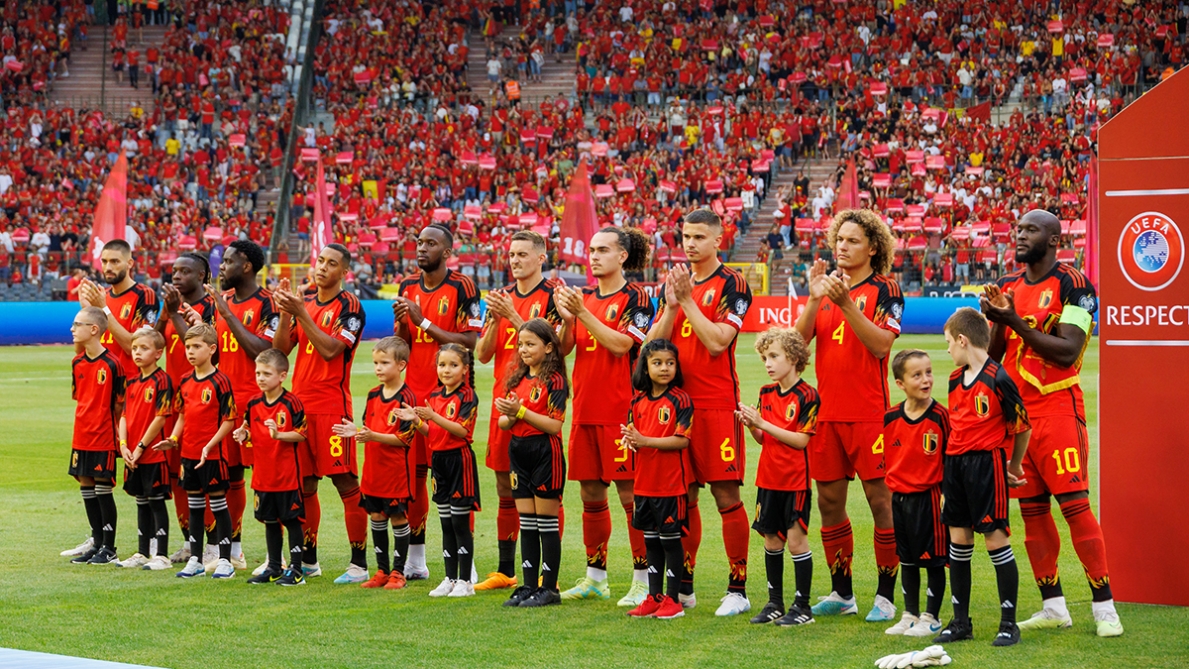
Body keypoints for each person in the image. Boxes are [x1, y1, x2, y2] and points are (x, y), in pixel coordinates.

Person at [980, 209, 1122, 637]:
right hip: (1018, 418)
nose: (1020, 235)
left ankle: (1105, 608)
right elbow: (994, 355)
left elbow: (1067, 351)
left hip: (1057, 408)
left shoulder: (1074, 284)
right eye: (1019, 229)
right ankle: (1053, 605)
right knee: (1033, 513)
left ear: (1054, 240)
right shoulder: (1007, 285)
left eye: (1031, 230)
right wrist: (997, 320)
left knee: (1075, 508)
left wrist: (1012, 320)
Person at [792, 208, 903, 622]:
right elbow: (796, 347)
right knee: (829, 502)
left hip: (870, 415)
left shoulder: (886, 289)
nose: (842, 246)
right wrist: (814, 297)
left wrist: (846, 304)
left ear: (873, 248)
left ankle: (886, 596)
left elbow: (880, 346)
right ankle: (842, 592)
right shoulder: (826, 290)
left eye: (853, 240)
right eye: (840, 239)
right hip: (827, 415)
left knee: (882, 503)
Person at [646, 208, 754, 617]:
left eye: (698, 237)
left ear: (717, 240)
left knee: (726, 495)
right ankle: (684, 587)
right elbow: (652, 348)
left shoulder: (733, 283)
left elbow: (717, 342)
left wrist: (688, 301)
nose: (690, 244)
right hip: (677, 408)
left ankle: (738, 589)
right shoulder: (674, 284)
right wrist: (672, 307)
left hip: (716, 406)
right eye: (685, 237)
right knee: (683, 498)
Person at [555, 226, 654, 606]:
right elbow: (563, 349)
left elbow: (622, 345)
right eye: (592, 250)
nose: (594, 256)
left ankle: (643, 578)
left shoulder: (636, 297)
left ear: (622, 256)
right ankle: (596, 577)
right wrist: (568, 318)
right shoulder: (585, 297)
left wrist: (582, 313)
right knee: (590, 494)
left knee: (631, 496)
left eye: (602, 250)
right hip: (585, 409)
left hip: (621, 412)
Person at [273, 244, 369, 584]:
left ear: (344, 272)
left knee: (345, 482)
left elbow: (330, 351)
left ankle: (359, 564)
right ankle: (309, 560)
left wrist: (301, 313)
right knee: (304, 484)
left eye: (332, 263)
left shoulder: (350, 306)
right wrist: (286, 314)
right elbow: (280, 352)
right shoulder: (307, 303)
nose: (322, 267)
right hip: (301, 408)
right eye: (320, 261)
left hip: (332, 408)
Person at [936, 307, 1031, 647]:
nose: (948, 349)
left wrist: (1013, 465)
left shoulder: (998, 378)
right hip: (955, 466)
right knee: (959, 541)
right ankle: (961, 622)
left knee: (995, 539)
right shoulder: (953, 379)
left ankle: (1008, 624)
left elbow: (1022, 426)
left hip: (986, 466)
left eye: (949, 342)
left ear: (962, 340)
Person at [393, 224, 482, 582]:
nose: (422, 248)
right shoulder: (406, 286)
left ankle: (466, 562)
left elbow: (470, 342)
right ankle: (416, 559)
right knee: (415, 480)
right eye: (419, 242)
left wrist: (423, 320)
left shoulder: (463, 287)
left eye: (430, 243)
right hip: (415, 395)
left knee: (455, 484)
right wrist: (404, 325)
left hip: (451, 399)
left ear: (446, 252)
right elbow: (405, 342)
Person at [475, 230, 562, 592]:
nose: (515, 260)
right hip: (505, 401)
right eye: (511, 254)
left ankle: (547, 572)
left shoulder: (553, 295)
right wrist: (496, 319)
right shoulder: (501, 298)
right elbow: (482, 354)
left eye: (522, 254)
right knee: (503, 484)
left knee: (546, 491)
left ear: (541, 258)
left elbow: (558, 348)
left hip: (538, 402)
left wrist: (512, 315)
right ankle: (506, 569)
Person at [736, 327, 820, 627]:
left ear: (794, 358)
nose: (768, 364)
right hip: (767, 479)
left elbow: (801, 441)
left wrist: (763, 424)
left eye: (774, 356)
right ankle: (775, 603)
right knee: (772, 540)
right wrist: (751, 425)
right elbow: (763, 439)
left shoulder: (808, 395)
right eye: (764, 358)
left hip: (794, 481)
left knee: (796, 542)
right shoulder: (766, 393)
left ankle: (802, 607)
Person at [333, 337, 426, 590]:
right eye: (375, 363)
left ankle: (398, 572)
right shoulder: (373, 394)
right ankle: (382, 571)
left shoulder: (406, 397)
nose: (378, 368)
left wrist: (372, 435)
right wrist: (355, 431)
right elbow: (369, 428)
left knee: (397, 517)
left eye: (384, 363)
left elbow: (405, 438)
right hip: (373, 471)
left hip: (396, 472)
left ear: (401, 365)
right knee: (375, 516)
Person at [210, 240, 278, 576]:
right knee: (231, 477)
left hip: (259, 405)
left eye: (228, 261)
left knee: (269, 479)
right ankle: (234, 550)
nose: (221, 267)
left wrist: (227, 316)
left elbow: (262, 351)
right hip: (227, 405)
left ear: (246, 266)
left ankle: (277, 555)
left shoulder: (268, 303)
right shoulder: (222, 302)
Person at [153, 324, 238, 579]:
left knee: (219, 505)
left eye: (196, 346)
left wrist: (210, 445)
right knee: (195, 508)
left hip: (213, 456)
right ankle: (196, 560)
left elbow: (229, 420)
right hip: (188, 454)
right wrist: (173, 439)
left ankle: (225, 561)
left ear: (211, 349)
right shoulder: (185, 381)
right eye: (187, 346)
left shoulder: (221, 381)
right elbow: (182, 415)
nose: (190, 351)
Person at [495, 319, 569, 608]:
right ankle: (528, 585)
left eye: (530, 344)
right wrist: (509, 414)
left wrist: (521, 411)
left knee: (546, 523)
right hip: (518, 451)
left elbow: (554, 425)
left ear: (548, 347)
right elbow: (504, 423)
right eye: (520, 344)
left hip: (545, 452)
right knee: (526, 523)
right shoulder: (517, 379)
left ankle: (549, 588)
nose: (523, 349)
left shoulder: (555, 380)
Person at [622, 339, 693, 621]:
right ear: (645, 367)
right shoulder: (636, 401)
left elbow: (682, 440)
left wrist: (645, 440)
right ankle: (654, 597)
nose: (665, 368)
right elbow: (634, 435)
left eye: (670, 363)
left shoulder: (680, 399)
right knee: (650, 541)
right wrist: (631, 441)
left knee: (670, 541)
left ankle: (674, 600)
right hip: (644, 484)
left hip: (670, 485)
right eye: (658, 363)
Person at [156, 252, 219, 567]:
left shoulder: (211, 307)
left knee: (203, 474)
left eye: (184, 271)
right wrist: (165, 313)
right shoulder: (172, 305)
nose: (177, 276)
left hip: (203, 399)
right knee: (177, 475)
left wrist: (174, 314)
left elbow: (198, 345)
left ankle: (214, 544)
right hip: (175, 398)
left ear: (202, 276)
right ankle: (189, 541)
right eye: (174, 271)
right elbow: (157, 341)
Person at [881, 349, 950, 637]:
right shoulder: (890, 418)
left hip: (929, 499)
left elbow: (950, 460)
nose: (926, 380)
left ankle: (931, 616)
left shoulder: (940, 416)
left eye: (929, 372)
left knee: (933, 561)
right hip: (899, 499)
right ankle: (909, 614)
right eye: (917, 375)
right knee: (907, 559)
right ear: (900, 383)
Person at [414, 344, 482, 599]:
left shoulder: (468, 396)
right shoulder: (434, 395)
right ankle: (450, 578)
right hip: (439, 462)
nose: (446, 370)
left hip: (459, 461)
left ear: (465, 369)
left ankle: (466, 581)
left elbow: (462, 431)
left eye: (453, 365)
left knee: (459, 523)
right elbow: (432, 432)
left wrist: (433, 416)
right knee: (445, 523)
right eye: (442, 365)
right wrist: (417, 421)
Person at [238, 349, 308, 586]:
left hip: (287, 476)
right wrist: (243, 433)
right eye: (258, 373)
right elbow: (249, 428)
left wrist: (279, 435)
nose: (261, 378)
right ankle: (274, 567)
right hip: (263, 475)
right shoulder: (253, 403)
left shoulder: (291, 403)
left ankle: (296, 570)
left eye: (267, 374)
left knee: (291, 520)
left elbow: (302, 434)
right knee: (270, 521)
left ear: (282, 376)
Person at [66, 306, 126, 565]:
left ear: (93, 330)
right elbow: (79, 397)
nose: (72, 329)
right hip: (81, 434)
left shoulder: (112, 364)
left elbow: (119, 405)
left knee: (103, 488)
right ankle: (97, 542)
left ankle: (109, 548)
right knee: (86, 486)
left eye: (77, 324)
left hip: (103, 436)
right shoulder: (77, 362)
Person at [114, 327, 173, 571]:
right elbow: (124, 416)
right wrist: (123, 445)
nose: (137, 352)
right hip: (133, 454)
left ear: (158, 353)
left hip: (153, 454)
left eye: (144, 348)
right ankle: (142, 551)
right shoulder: (132, 382)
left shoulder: (162, 380)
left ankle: (162, 555)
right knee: (141, 502)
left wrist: (140, 446)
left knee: (156, 502)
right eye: (135, 348)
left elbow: (161, 417)